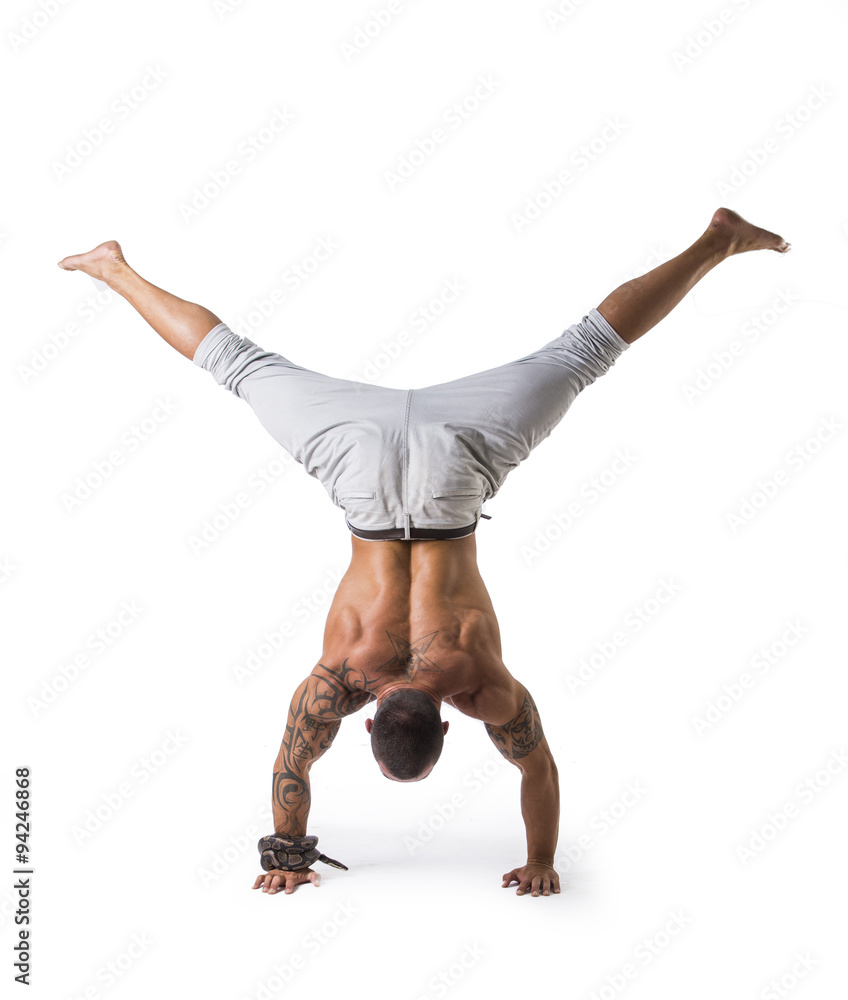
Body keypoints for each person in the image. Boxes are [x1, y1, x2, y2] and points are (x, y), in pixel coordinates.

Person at [58, 207, 790, 897]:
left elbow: (539, 770)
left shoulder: (479, 683)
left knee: (583, 353)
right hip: (359, 464)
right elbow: (292, 765)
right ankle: (113, 269)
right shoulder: (337, 682)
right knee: (239, 366)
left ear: (447, 723)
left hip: (457, 474)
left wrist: (540, 863)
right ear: (367, 722)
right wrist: (285, 856)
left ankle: (716, 241)